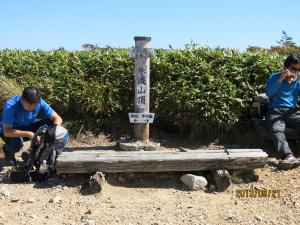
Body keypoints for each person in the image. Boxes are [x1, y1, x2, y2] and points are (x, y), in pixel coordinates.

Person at [0, 86, 68, 166]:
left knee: (52, 123)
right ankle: (8, 151)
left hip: (29, 125)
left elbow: (57, 118)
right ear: (22, 100)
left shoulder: (40, 102)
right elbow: (7, 132)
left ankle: (39, 153)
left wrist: (51, 132)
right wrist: (30, 134)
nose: (32, 109)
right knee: (17, 142)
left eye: (34, 107)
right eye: (29, 106)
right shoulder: (10, 106)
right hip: (11, 130)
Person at [265, 54, 300, 169]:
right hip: (275, 111)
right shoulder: (275, 76)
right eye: (293, 68)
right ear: (286, 66)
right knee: (277, 129)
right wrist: (281, 79)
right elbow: (268, 93)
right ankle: (287, 156)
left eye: (298, 70)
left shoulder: (297, 82)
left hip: (292, 112)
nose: (295, 72)